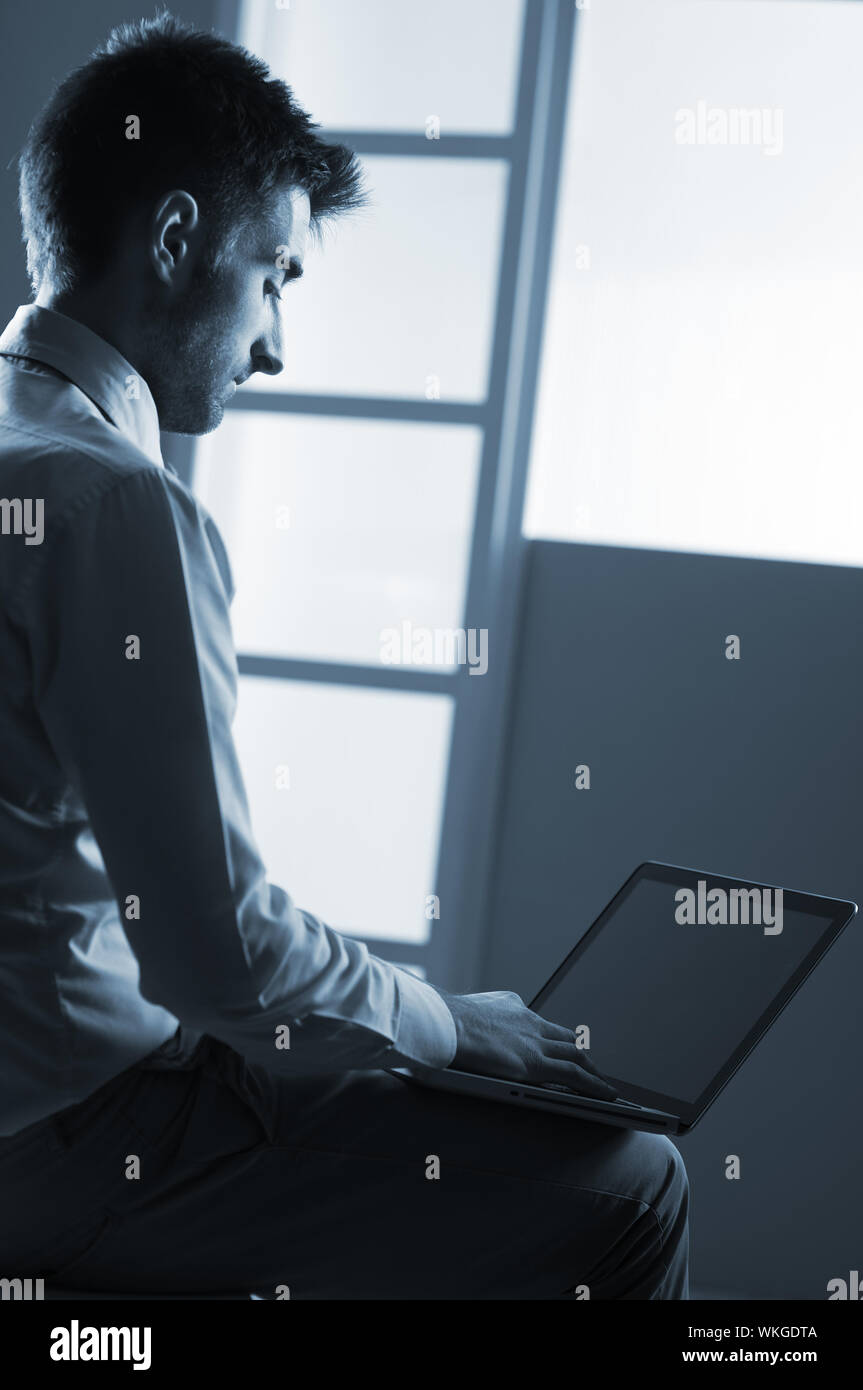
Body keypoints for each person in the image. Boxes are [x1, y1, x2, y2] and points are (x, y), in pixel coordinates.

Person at [0, 14, 688, 1299]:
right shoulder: (113, 504)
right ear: (173, 241)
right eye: (276, 277)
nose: (275, 344)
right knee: (634, 1179)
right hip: (73, 1137)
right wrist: (450, 1023)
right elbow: (216, 961)